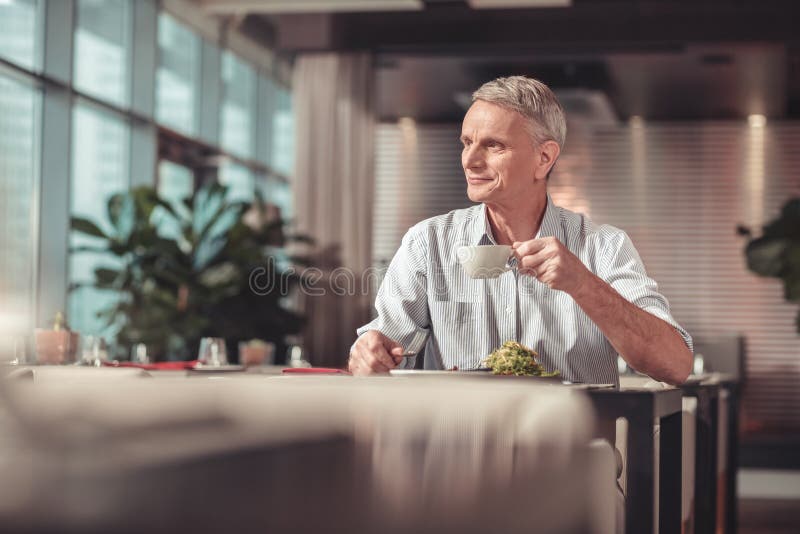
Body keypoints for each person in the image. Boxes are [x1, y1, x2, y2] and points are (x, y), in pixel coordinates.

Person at [349, 76, 693, 385]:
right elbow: (379, 348)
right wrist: (368, 354)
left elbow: (675, 365)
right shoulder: (428, 243)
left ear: (544, 158)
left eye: (493, 145)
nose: (470, 160)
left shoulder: (604, 247)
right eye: (467, 142)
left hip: (571, 450)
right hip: (459, 447)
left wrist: (582, 284)